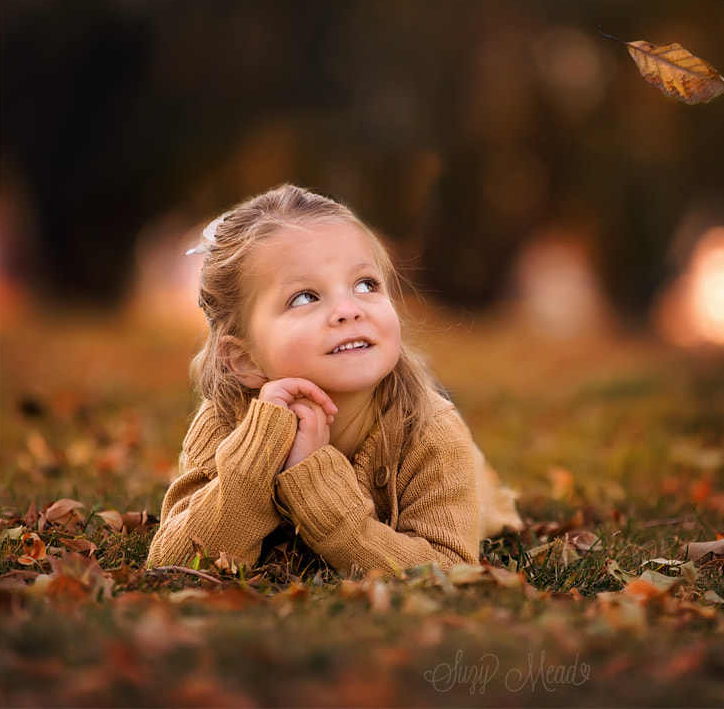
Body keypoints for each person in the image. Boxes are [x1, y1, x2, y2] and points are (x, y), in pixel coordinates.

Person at [147, 184, 520, 577]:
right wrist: (256, 460)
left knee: (492, 502)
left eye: (366, 284)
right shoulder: (228, 418)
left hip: (471, 489)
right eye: (305, 297)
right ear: (244, 359)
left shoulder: (431, 433)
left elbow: (449, 572)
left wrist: (319, 490)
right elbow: (172, 564)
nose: (348, 309)